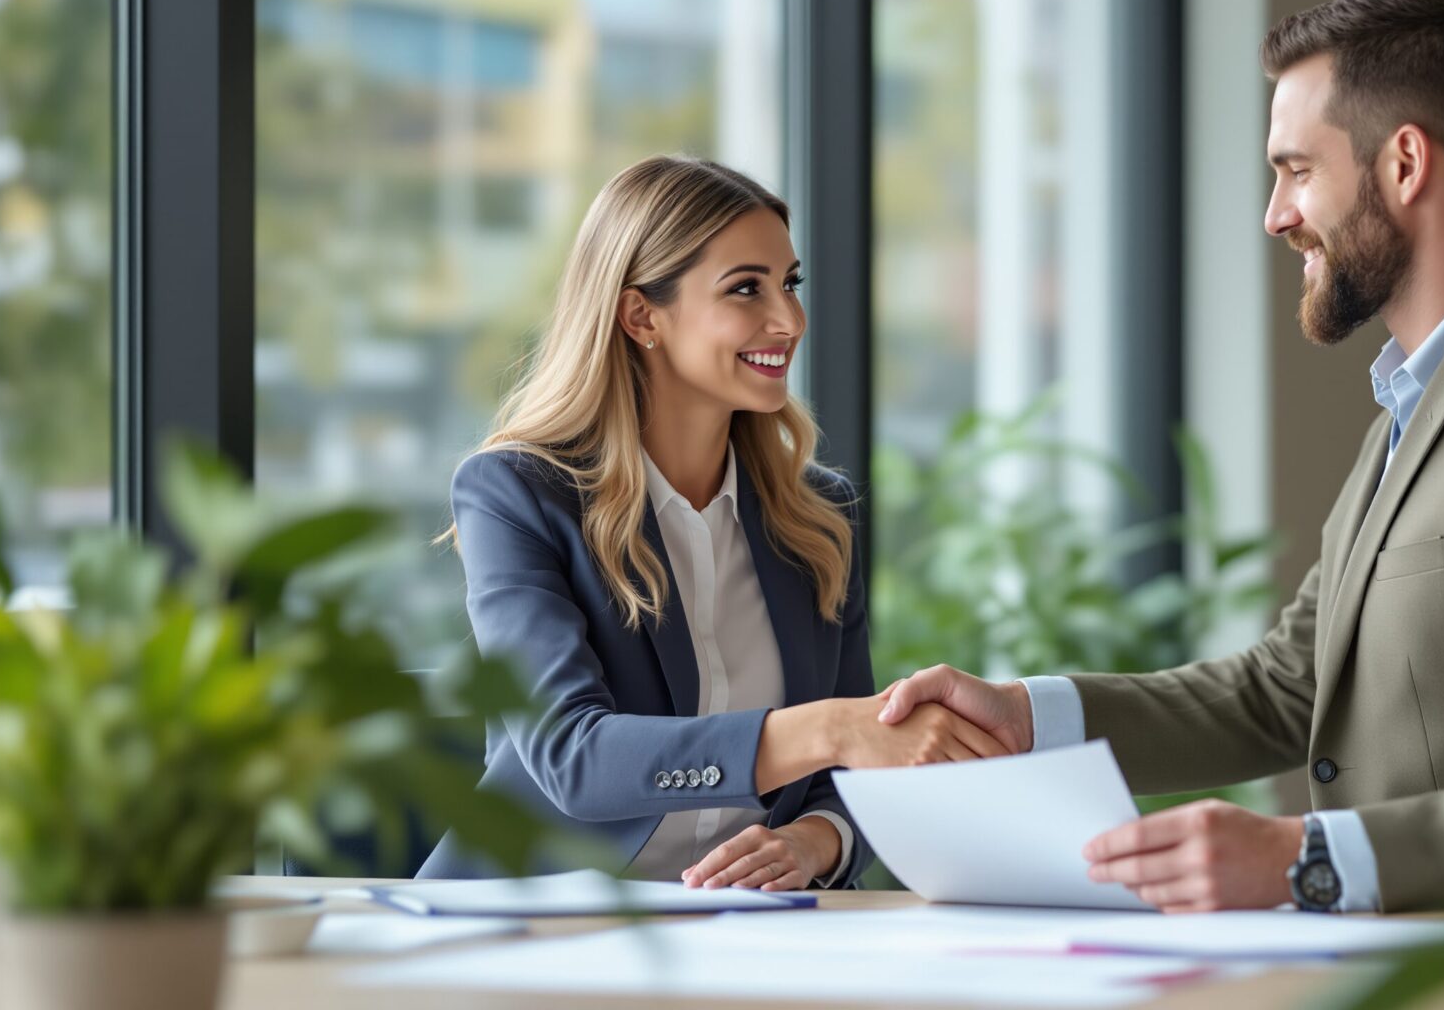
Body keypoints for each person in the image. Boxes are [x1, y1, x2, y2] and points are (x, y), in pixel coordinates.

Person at [877, 0, 1444, 914]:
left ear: (1404, 164)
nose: (1275, 214)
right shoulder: (1416, 404)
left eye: (1297, 169)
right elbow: (1287, 689)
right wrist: (1027, 716)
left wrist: (1305, 858)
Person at [418, 156, 1007, 889]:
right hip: (529, 926)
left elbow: (848, 778)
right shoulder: (517, 492)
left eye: (790, 284)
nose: (789, 320)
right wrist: (828, 728)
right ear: (641, 316)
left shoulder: (818, 517)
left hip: (747, 936)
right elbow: (571, 756)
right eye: (746, 289)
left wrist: (814, 842)